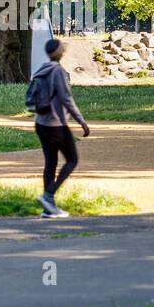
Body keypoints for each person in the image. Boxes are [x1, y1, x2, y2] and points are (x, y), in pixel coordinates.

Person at [30, 38, 89, 217]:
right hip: (56, 124)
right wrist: (82, 121)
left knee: (51, 162)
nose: (64, 48)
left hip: (40, 123)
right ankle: (48, 195)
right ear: (58, 52)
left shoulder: (42, 70)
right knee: (72, 159)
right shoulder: (58, 72)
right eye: (61, 47)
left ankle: (48, 209)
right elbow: (66, 99)